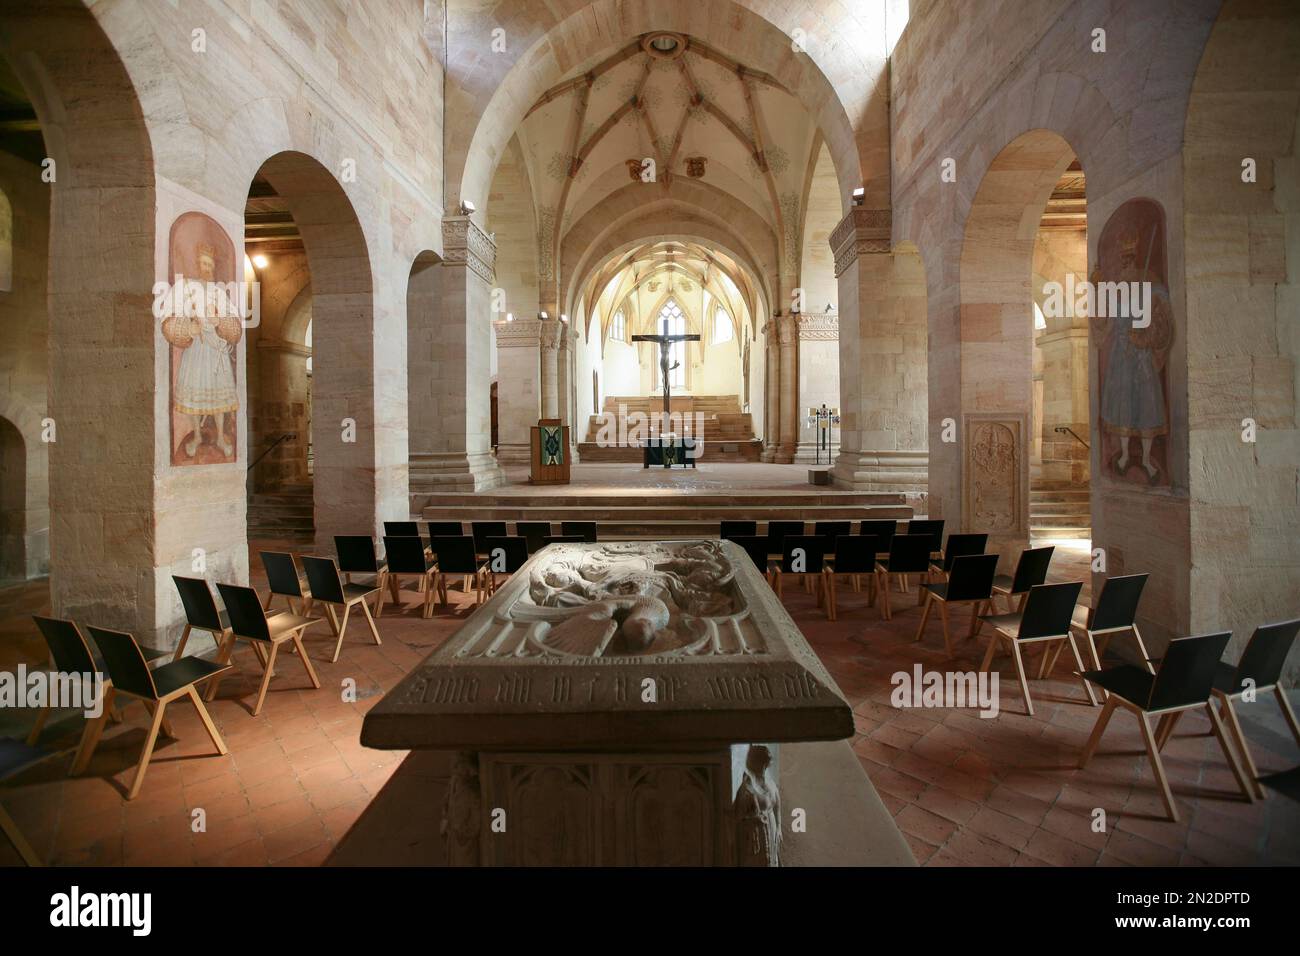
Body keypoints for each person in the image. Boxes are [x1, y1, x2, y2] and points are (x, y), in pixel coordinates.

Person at [174, 243, 239, 459]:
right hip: (196, 347)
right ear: (197, 265)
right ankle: (197, 437)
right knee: (195, 390)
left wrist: (219, 320)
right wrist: (190, 327)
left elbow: (233, 321)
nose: (207, 268)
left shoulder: (219, 292)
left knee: (219, 396)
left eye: (210, 264)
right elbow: (177, 316)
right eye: (204, 263)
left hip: (215, 349)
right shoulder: (188, 288)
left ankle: (221, 436)